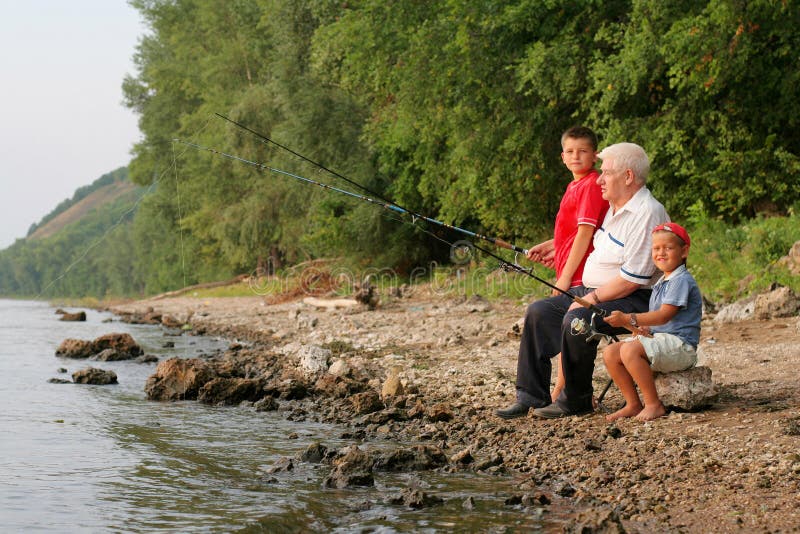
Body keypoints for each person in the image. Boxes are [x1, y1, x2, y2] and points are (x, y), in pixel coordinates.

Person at [496, 142, 669, 420]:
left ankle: (576, 399)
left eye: (606, 173)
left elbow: (633, 279)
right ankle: (530, 396)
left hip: (636, 297)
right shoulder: (615, 208)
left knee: (577, 319)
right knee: (539, 312)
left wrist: (591, 299)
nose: (599, 179)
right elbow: (589, 242)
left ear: (627, 176)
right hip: (597, 291)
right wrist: (555, 246)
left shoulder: (646, 212)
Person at [525, 126, 608, 401]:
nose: (576, 156)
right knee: (545, 318)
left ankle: (562, 390)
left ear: (594, 155)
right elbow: (572, 233)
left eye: (583, 151)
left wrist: (564, 279)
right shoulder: (574, 185)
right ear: (562, 157)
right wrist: (550, 245)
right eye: (570, 151)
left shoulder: (591, 185)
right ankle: (537, 394)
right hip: (570, 274)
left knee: (566, 326)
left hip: (583, 280)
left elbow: (586, 233)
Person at [601, 223, 702, 422]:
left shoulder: (681, 280)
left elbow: (664, 315)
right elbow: (657, 322)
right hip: (663, 342)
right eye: (656, 248)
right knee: (610, 352)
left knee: (630, 351)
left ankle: (653, 404)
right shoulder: (660, 283)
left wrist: (628, 317)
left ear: (684, 251)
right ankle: (633, 404)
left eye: (668, 248)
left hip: (681, 347)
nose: (661, 253)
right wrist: (642, 329)